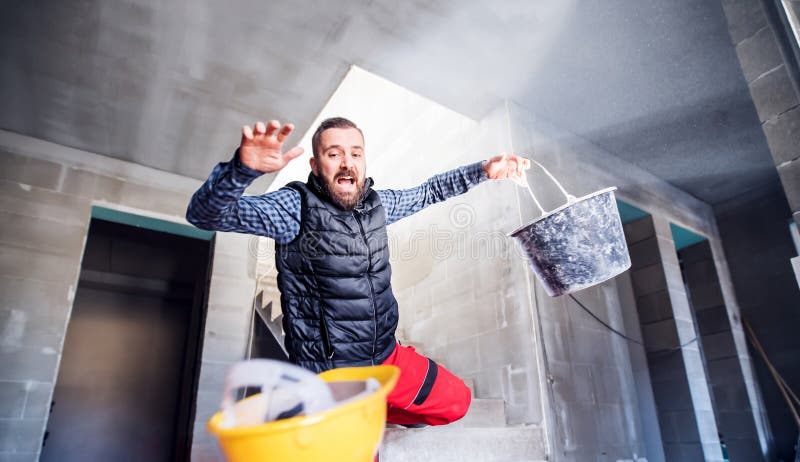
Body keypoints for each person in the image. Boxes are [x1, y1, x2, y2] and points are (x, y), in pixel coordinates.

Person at [186, 117, 530, 427]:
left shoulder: (378, 205)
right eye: (334, 154)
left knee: (457, 403)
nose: (347, 163)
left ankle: (374, 404)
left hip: (386, 356)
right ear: (316, 165)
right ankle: (347, 413)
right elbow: (206, 216)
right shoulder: (294, 208)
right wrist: (240, 171)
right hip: (333, 378)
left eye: (356, 153)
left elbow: (430, 191)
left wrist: (484, 170)